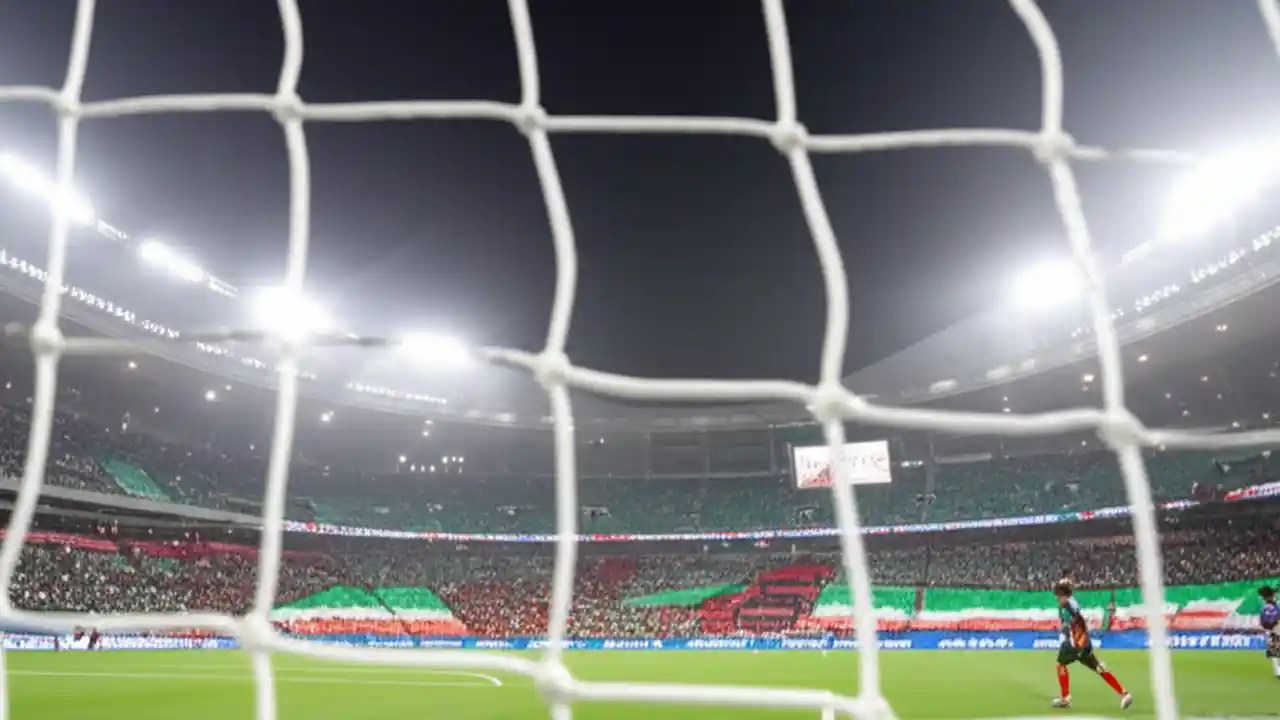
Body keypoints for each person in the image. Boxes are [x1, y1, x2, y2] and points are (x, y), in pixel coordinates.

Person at [1050, 582, 1132, 710]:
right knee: (1098, 668)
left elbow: (1072, 621)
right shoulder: (1073, 602)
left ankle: (1065, 698)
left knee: (1060, 664)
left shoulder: (1067, 607)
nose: (1057, 599)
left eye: (1059, 596)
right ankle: (1124, 693)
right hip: (1085, 644)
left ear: (1064, 596)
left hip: (1075, 645)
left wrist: (1066, 632)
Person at [1259, 586, 1280, 679]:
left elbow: (1262, 621)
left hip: (1270, 630)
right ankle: (1278, 671)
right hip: (1276, 629)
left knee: (1274, 652)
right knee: (1276, 651)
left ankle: (1277, 671)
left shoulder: (1264, 608)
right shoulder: (1275, 606)